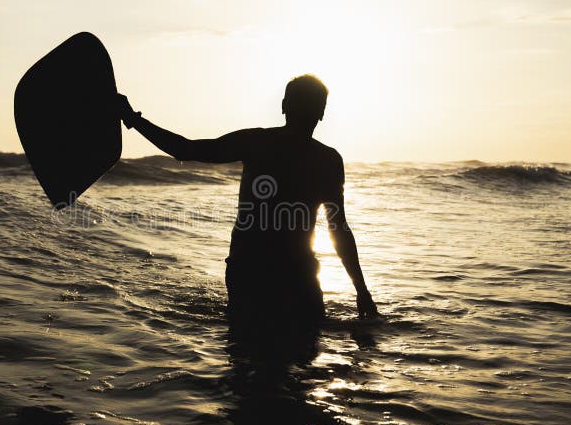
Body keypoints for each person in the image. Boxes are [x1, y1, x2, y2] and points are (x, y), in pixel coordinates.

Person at [117, 74, 379, 323]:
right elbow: (339, 230)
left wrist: (133, 119)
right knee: (294, 356)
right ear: (291, 107)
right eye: (307, 104)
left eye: (313, 105)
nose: (309, 112)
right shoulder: (299, 153)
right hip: (265, 272)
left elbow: (184, 149)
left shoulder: (281, 148)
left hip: (278, 272)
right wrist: (361, 291)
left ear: (289, 107)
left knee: (252, 354)